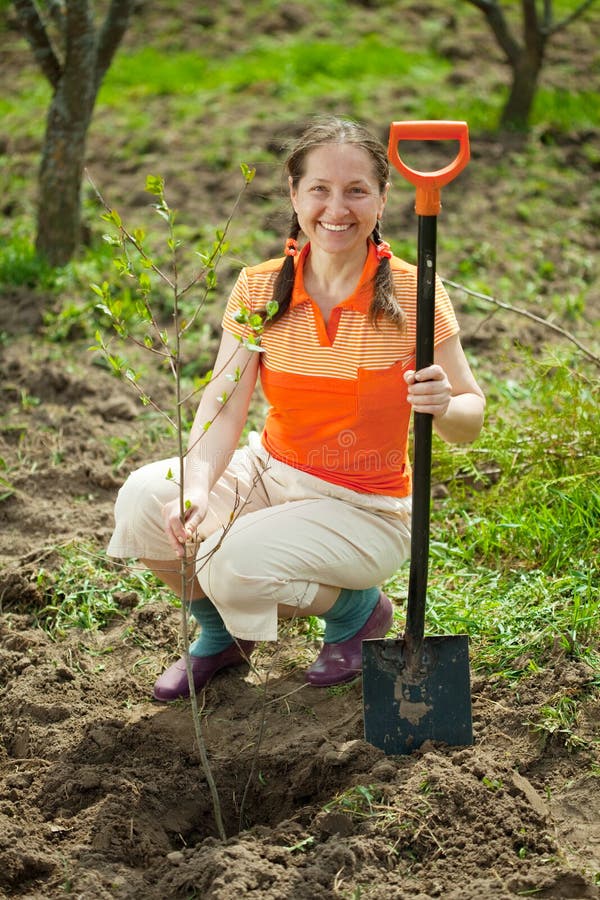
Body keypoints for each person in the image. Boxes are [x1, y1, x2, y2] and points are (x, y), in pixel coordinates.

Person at [107, 116, 485, 702]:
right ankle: (221, 635)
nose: (338, 208)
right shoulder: (260, 288)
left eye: (357, 190)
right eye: (320, 189)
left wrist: (443, 405)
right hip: (272, 470)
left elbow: (471, 414)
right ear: (294, 194)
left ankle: (357, 612)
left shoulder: (415, 294)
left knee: (231, 560)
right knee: (145, 501)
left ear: (384, 198)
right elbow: (224, 404)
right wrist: (200, 483)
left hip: (367, 506)